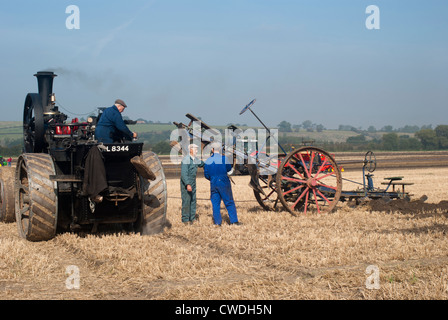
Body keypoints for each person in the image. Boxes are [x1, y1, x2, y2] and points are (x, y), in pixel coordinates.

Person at [204, 142, 241, 226]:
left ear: (212, 150)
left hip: (213, 183)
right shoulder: (224, 159)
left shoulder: (208, 160)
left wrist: (213, 178)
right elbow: (230, 171)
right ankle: (234, 221)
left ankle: (217, 223)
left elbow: (206, 175)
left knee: (215, 203)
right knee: (229, 201)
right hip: (224, 182)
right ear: (220, 150)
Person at [180, 144, 204, 224]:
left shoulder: (195, 159)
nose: (197, 151)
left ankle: (192, 218)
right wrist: (187, 184)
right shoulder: (186, 159)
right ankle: (185, 219)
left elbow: (202, 164)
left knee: (193, 200)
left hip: (193, 182)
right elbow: (184, 173)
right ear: (190, 150)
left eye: (197, 150)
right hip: (187, 183)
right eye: (195, 149)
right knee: (186, 201)